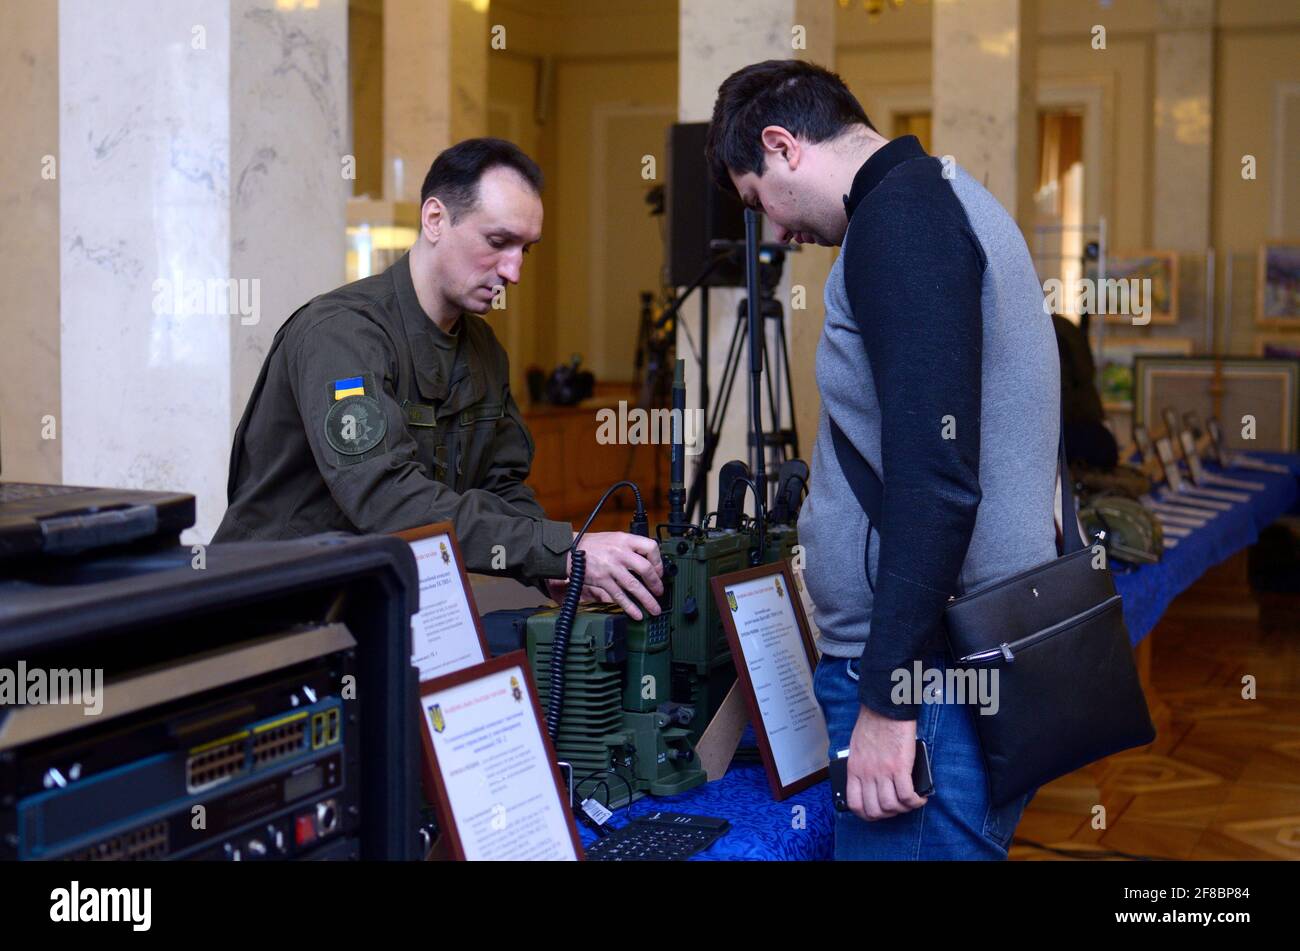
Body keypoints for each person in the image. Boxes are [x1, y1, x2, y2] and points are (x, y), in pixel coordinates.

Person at [706, 61, 1059, 858]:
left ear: (782, 145)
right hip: (950, 660)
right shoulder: (937, 195)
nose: (779, 233)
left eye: (759, 200)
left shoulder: (899, 221)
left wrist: (890, 697)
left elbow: (935, 479)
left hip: (927, 674)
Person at [214, 138, 663, 619]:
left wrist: (555, 567)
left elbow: (500, 487)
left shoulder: (484, 350)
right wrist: (561, 549)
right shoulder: (341, 335)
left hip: (377, 608)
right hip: (270, 611)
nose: (513, 271)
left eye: (525, 250)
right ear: (434, 219)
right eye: (497, 242)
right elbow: (385, 497)